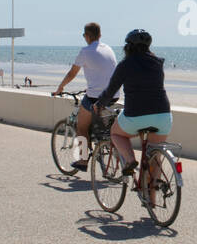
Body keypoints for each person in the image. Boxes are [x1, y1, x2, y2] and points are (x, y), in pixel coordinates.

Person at [94, 29, 171, 177]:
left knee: (116, 133)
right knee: (154, 159)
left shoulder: (126, 64)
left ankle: (130, 161)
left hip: (136, 115)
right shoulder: (157, 63)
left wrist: (99, 104)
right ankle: (152, 199)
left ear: (128, 46)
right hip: (163, 116)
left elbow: (110, 91)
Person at [55, 23, 118, 171]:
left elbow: (72, 73)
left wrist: (60, 87)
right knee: (102, 127)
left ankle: (83, 161)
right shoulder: (108, 49)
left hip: (95, 98)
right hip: (113, 96)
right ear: (100, 35)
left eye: (84, 36)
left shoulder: (85, 51)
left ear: (87, 36)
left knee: (81, 127)